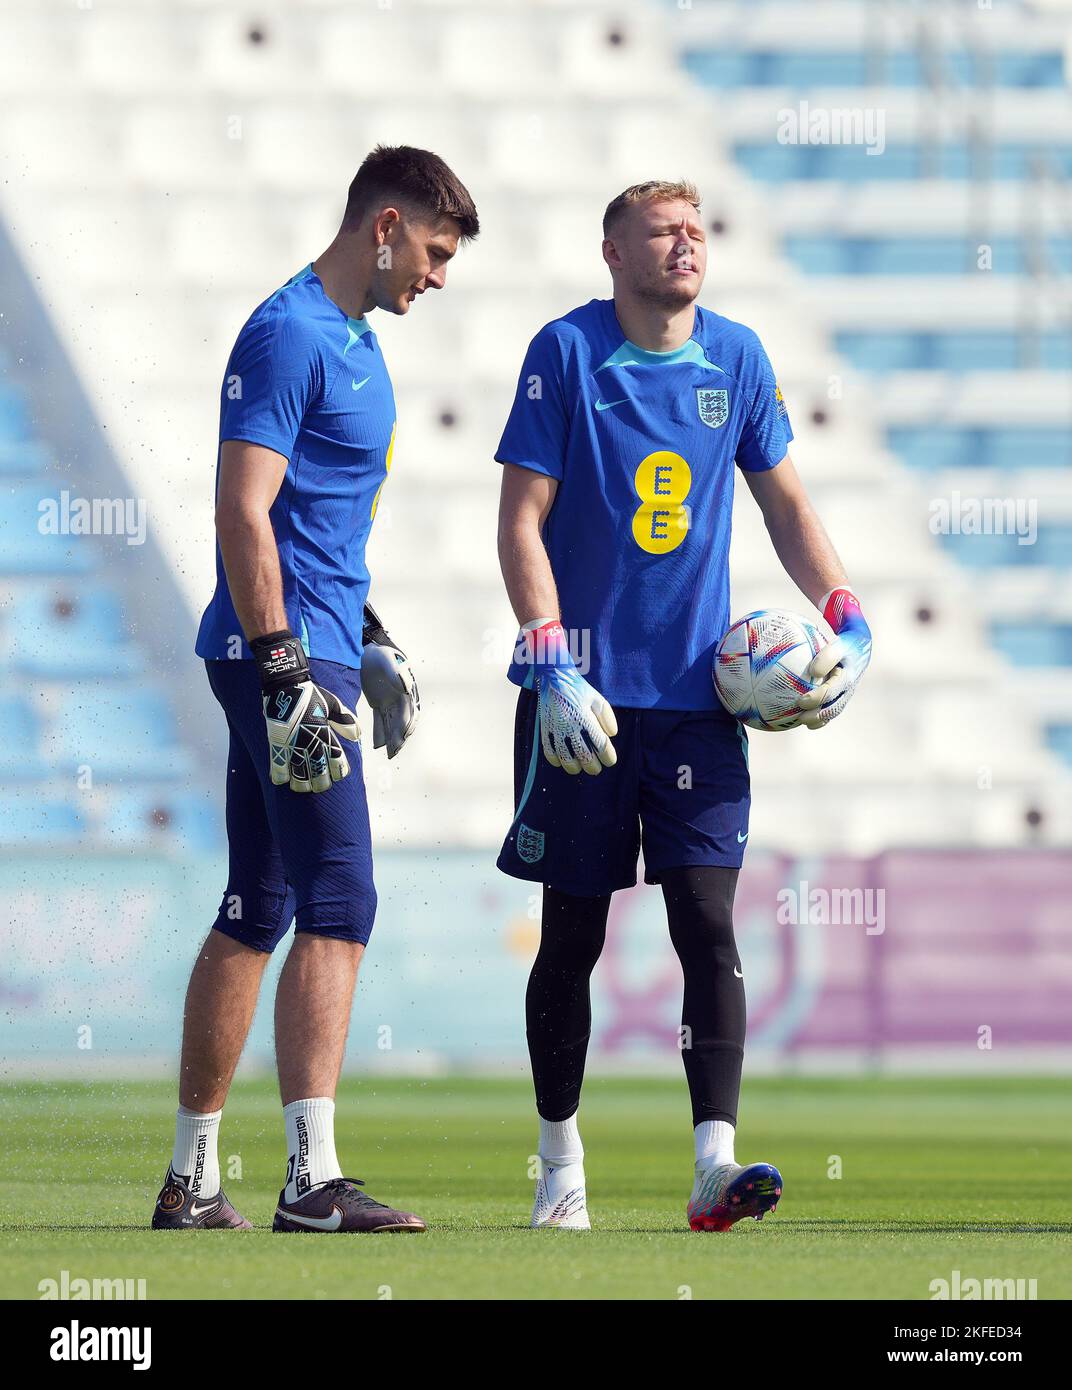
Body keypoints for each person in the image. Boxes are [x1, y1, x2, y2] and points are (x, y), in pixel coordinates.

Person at [494, 180, 872, 1231]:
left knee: (706, 919)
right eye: (661, 231)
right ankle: (558, 1159)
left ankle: (715, 1162)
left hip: (698, 705)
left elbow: (785, 499)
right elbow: (520, 520)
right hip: (582, 705)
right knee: (571, 934)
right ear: (611, 250)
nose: (685, 245)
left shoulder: (739, 356)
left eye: (697, 230)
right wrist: (550, 660)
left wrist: (844, 611)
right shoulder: (564, 353)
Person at [152, 145, 479, 1234]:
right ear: (385, 224)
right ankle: (311, 1181)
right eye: (433, 251)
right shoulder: (289, 332)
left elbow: (319, 526)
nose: (437, 276)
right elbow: (242, 511)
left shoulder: (358, 346)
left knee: (260, 906)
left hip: (312, 644)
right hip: (273, 654)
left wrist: (371, 639)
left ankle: (194, 1180)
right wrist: (290, 666)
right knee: (342, 896)